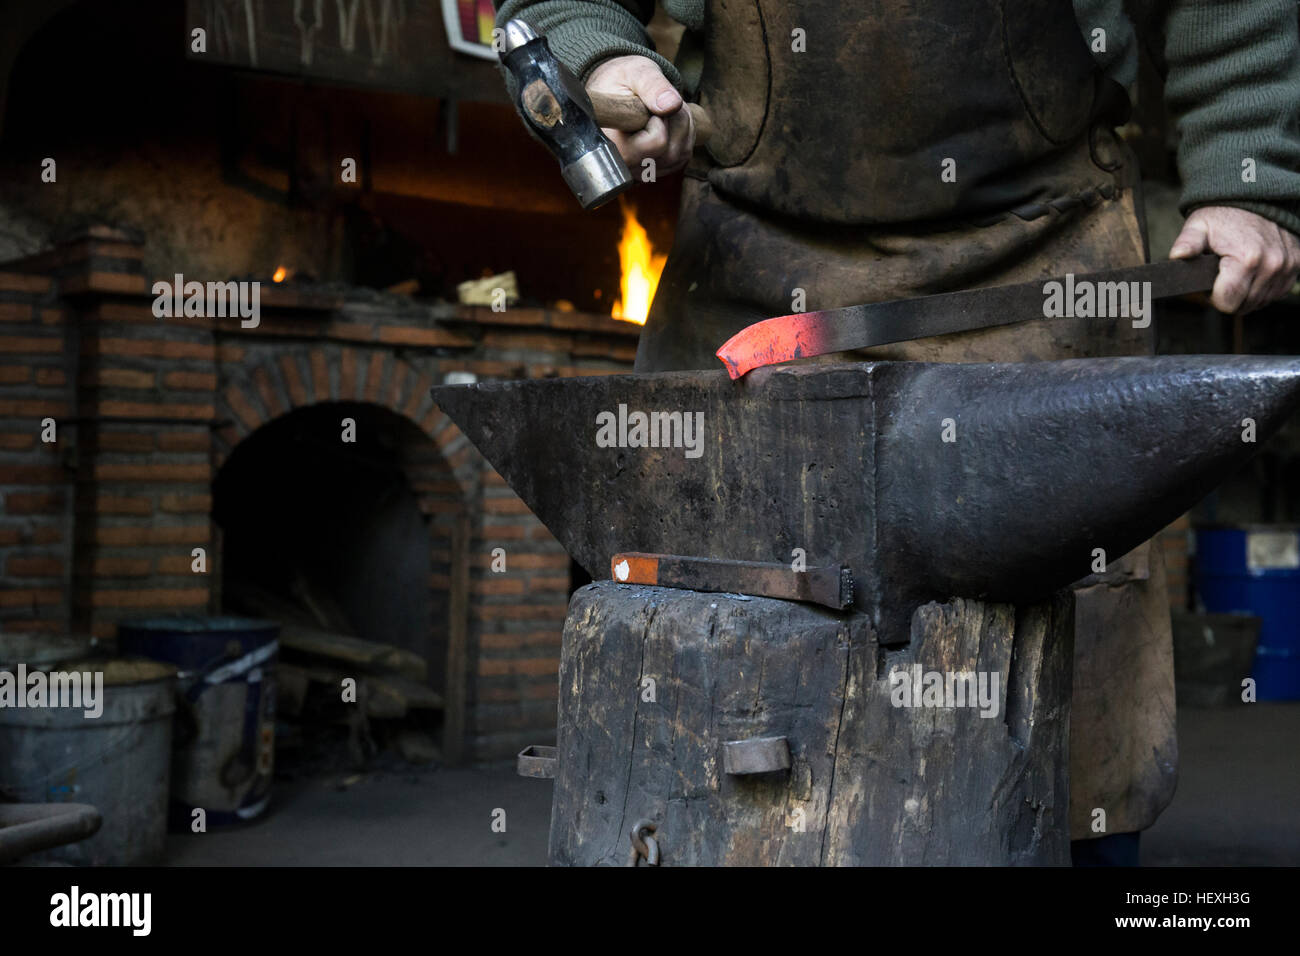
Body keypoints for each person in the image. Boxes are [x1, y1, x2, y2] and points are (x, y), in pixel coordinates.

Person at [497, 0, 1300, 864]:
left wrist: (1246, 176)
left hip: (1039, 248)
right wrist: (600, 60)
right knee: (700, 704)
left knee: (1071, 730)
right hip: (750, 266)